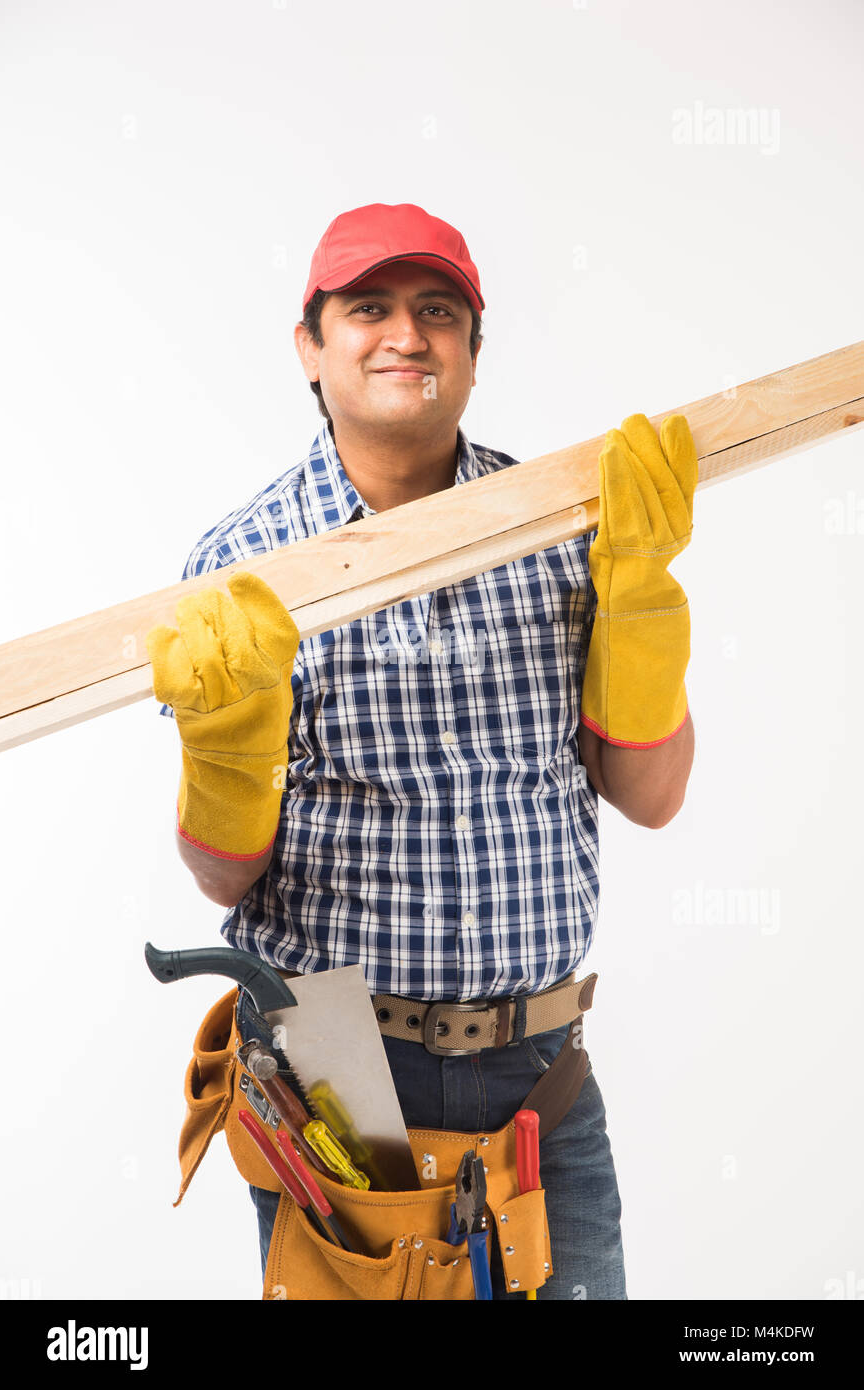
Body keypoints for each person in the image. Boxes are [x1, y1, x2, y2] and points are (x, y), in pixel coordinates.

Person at [147, 201, 696, 1300]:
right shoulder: (239, 571)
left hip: (541, 1071)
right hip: (341, 1083)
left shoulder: (564, 529)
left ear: (475, 352)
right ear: (311, 344)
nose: (406, 334)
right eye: (368, 308)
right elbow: (223, 876)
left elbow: (652, 795)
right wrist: (226, 754)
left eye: (437, 310)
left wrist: (635, 607)